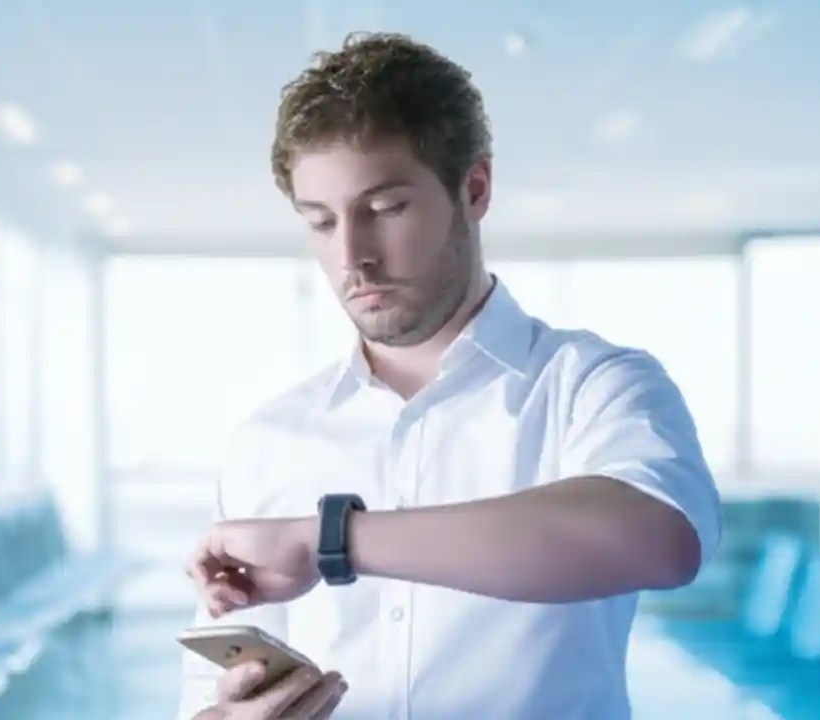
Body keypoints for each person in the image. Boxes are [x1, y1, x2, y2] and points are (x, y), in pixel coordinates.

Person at [179, 32, 721, 720]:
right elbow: (203, 706)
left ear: (475, 189)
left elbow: (661, 539)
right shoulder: (267, 440)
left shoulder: (595, 386)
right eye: (320, 221)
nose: (352, 257)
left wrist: (327, 542)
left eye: (384, 209)